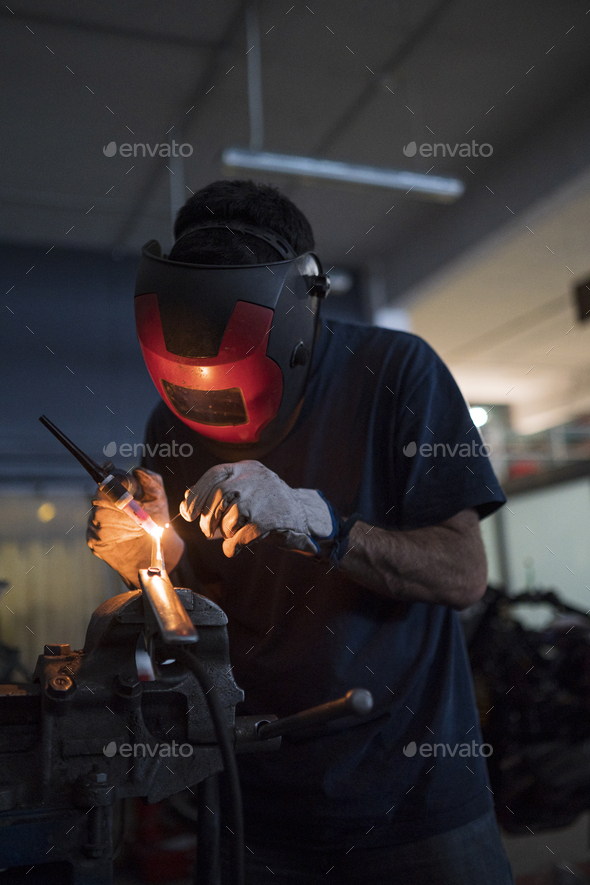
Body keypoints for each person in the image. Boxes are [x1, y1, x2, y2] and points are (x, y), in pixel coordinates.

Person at [88, 179, 514, 884]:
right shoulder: (170, 425)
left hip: (413, 803)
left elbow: (463, 574)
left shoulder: (399, 373)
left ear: (296, 312)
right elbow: (190, 618)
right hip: (252, 803)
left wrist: (321, 522)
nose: (208, 400)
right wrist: (142, 558)